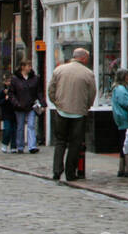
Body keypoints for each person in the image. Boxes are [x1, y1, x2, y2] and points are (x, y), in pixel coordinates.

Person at [47, 48, 96, 183]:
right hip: (78, 113)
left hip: (61, 110)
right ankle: (70, 172)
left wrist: (56, 102)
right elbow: (92, 93)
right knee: (75, 143)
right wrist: (87, 106)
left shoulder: (59, 70)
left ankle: (57, 170)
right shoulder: (88, 73)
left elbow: (51, 89)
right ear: (84, 58)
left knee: (60, 141)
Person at [8, 60, 42, 154]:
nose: (30, 68)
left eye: (30, 66)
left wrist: (42, 103)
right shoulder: (15, 79)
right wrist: (16, 103)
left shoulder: (35, 78)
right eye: (28, 66)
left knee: (31, 125)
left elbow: (38, 91)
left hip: (31, 105)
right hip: (20, 106)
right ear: (22, 67)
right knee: (20, 126)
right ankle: (20, 146)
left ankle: (32, 146)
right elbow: (11, 93)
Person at [110, 68, 128, 177]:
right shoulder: (121, 89)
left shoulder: (118, 88)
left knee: (123, 142)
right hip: (124, 119)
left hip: (121, 119)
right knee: (126, 143)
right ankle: (127, 168)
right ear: (124, 77)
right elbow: (126, 103)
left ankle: (122, 168)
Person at [0, 76, 19, 153]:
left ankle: (13, 146)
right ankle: (5, 143)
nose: (9, 83)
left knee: (14, 130)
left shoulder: (15, 91)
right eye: (8, 81)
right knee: (7, 129)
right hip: (6, 113)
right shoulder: (3, 91)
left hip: (15, 113)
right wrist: (5, 99)